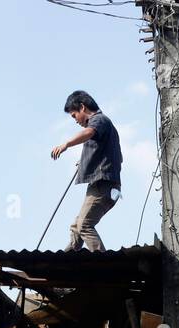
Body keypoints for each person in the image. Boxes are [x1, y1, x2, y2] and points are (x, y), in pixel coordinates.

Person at [51, 90, 123, 252]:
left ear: (82, 107)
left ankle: (103, 265)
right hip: (104, 187)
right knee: (77, 228)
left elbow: (88, 133)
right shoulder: (106, 128)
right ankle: (64, 260)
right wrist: (85, 161)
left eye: (74, 115)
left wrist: (66, 144)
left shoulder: (99, 120)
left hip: (103, 186)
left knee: (84, 225)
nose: (75, 121)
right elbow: (113, 156)